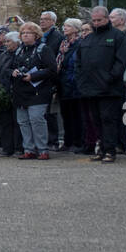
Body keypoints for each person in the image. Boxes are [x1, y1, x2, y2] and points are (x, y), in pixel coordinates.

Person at [74, 6, 126, 163]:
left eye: (100, 20)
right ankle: (101, 149)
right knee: (96, 120)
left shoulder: (117, 37)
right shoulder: (88, 39)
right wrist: (81, 81)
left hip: (109, 88)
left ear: (107, 19)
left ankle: (110, 151)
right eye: (94, 20)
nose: (97, 23)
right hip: (90, 88)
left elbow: (122, 61)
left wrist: (110, 77)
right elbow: (78, 62)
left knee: (108, 119)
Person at [10, 22, 55, 159]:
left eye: (28, 33)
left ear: (36, 35)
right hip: (21, 91)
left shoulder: (44, 49)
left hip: (38, 91)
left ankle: (42, 150)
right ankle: (28, 149)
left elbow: (52, 69)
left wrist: (33, 76)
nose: (25, 35)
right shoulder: (19, 50)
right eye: (23, 33)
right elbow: (10, 67)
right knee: (23, 121)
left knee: (36, 120)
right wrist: (14, 72)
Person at [54, 18, 85, 152]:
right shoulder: (63, 44)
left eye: (68, 26)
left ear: (76, 28)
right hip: (63, 83)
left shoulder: (79, 44)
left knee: (77, 114)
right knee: (66, 114)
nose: (64, 28)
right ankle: (68, 141)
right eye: (64, 26)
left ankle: (78, 141)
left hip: (74, 83)